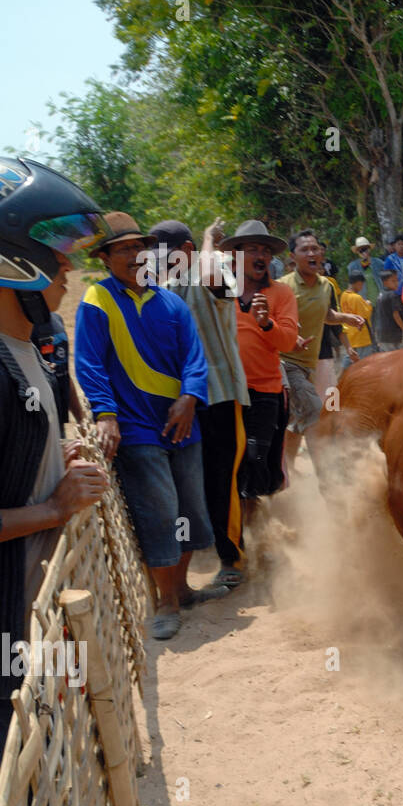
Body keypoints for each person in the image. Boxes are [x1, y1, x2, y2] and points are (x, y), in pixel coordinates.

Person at [0, 156, 111, 790]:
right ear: (7, 260)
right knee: (11, 789)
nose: (68, 265)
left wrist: (43, 460)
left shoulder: (25, 344)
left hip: (32, 616)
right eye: (56, 249)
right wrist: (53, 508)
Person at [75, 212, 216, 640]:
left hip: (183, 423)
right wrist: (106, 413)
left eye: (140, 247)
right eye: (124, 249)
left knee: (190, 510)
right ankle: (166, 602)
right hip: (135, 428)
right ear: (105, 258)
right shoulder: (96, 299)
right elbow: (89, 364)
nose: (135, 255)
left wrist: (190, 398)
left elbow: (195, 356)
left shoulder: (171, 301)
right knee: (159, 513)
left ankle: (184, 589)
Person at [150, 218, 251, 592]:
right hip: (185, 404)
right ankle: (213, 549)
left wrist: (209, 239)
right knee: (198, 482)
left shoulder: (214, 270)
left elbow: (216, 276)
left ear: (189, 251)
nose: (159, 262)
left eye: (166, 255)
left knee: (224, 480)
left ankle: (234, 559)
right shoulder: (166, 287)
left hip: (221, 395)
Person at [278, 229, 365, 483]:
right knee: (317, 414)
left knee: (295, 422)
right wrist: (288, 335)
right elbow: (269, 321)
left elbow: (326, 314)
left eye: (315, 248)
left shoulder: (326, 286)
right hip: (285, 364)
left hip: (310, 365)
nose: (312, 253)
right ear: (292, 256)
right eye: (305, 249)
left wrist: (345, 318)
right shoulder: (283, 287)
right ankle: (330, 482)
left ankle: (285, 476)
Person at [223, 220, 297, 512]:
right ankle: (235, 535)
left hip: (264, 392)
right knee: (229, 462)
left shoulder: (281, 294)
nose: (260, 255)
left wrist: (267, 323)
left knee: (257, 461)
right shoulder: (220, 294)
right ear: (236, 256)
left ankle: (265, 536)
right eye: (252, 249)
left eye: (265, 251)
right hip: (224, 393)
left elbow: (289, 341)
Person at [341, 272, 375, 359]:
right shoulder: (357, 298)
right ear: (359, 283)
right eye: (362, 284)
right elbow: (365, 315)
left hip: (350, 334)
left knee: (352, 358)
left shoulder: (343, 295)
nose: (362, 287)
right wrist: (368, 304)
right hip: (361, 336)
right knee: (364, 361)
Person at [373, 268, 403, 351]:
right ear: (385, 283)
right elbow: (396, 315)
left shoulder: (380, 295)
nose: (397, 283)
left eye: (396, 280)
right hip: (391, 334)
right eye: (393, 281)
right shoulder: (393, 295)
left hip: (381, 334)